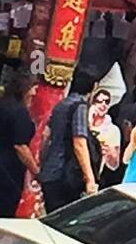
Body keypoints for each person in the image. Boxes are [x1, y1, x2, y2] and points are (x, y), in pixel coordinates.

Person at [38, 71, 98, 213]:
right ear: (93, 88)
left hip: (49, 170)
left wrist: (42, 162)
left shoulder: (61, 104)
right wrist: (90, 178)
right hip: (64, 174)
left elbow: (46, 136)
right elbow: (79, 143)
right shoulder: (79, 106)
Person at [0, 70, 39, 219]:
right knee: (3, 209)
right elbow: (20, 146)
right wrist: (36, 170)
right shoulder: (19, 113)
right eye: (33, 88)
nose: (34, 92)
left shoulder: (1, 105)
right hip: (10, 168)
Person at [87, 87, 122, 186]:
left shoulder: (113, 130)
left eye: (106, 102)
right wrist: (90, 120)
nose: (103, 105)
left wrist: (110, 152)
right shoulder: (84, 123)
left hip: (98, 175)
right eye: (99, 101)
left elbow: (114, 164)